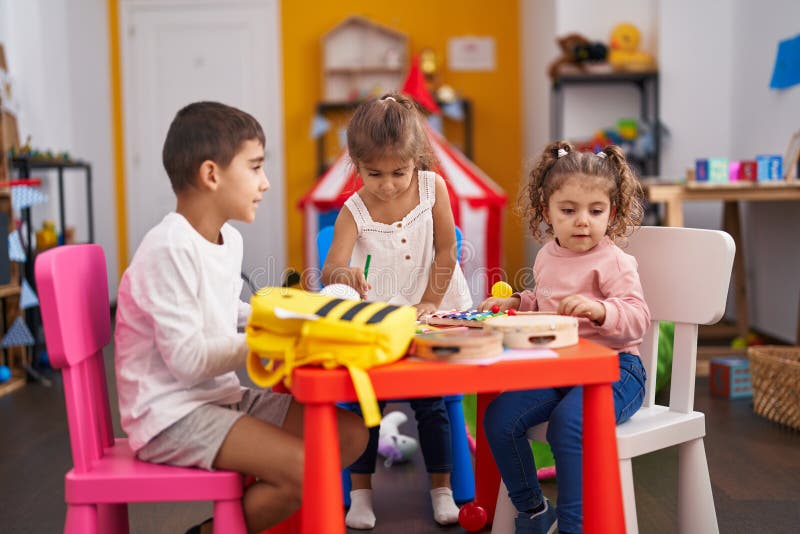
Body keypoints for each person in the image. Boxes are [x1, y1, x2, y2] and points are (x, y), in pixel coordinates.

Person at [114, 101, 368, 534]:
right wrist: (278, 336)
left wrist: (296, 314)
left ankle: (251, 504)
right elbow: (188, 360)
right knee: (309, 467)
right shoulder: (168, 249)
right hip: (170, 415)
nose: (265, 183)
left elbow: (227, 309)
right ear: (212, 174)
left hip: (216, 398)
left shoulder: (226, 240)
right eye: (255, 167)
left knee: (351, 436)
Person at [478, 141, 650, 534]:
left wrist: (602, 310)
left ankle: (576, 525)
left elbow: (638, 317)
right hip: (562, 366)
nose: (582, 222)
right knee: (499, 419)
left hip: (616, 370)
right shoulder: (546, 255)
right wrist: (519, 303)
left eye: (595, 211)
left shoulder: (614, 261)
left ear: (613, 212)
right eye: (568, 211)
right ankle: (535, 510)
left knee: (569, 424)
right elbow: (546, 302)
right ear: (546, 212)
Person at [321, 93, 472, 529]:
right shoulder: (354, 209)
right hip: (378, 324)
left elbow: (447, 250)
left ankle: (442, 489)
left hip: (431, 312)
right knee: (367, 404)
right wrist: (344, 273)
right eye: (374, 173)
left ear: (416, 160)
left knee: (434, 402)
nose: (387, 184)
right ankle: (361, 494)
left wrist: (429, 301)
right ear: (355, 163)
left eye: (398, 172)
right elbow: (331, 264)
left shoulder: (433, 189)